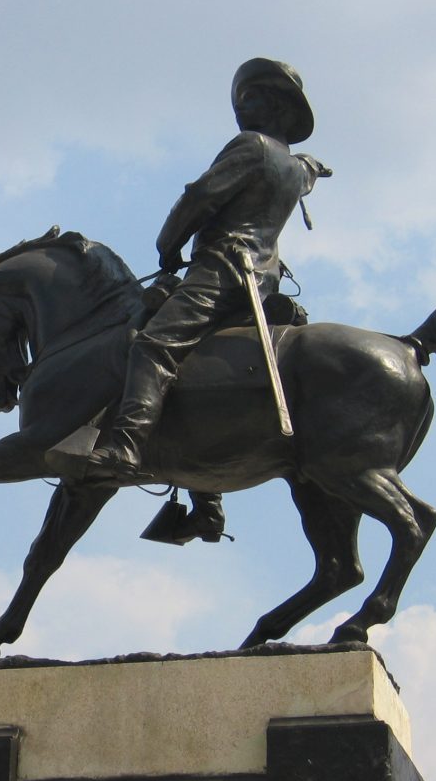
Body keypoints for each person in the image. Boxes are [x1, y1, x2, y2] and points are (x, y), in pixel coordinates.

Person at [86, 58, 330, 490]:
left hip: (223, 270)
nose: (241, 108)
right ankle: (206, 503)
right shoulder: (295, 167)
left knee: (153, 347)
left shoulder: (252, 145)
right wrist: (312, 165)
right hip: (263, 280)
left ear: (277, 106)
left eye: (251, 97)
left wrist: (169, 242)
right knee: (204, 366)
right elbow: (308, 173)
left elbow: (201, 196)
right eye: (239, 100)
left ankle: (124, 446)